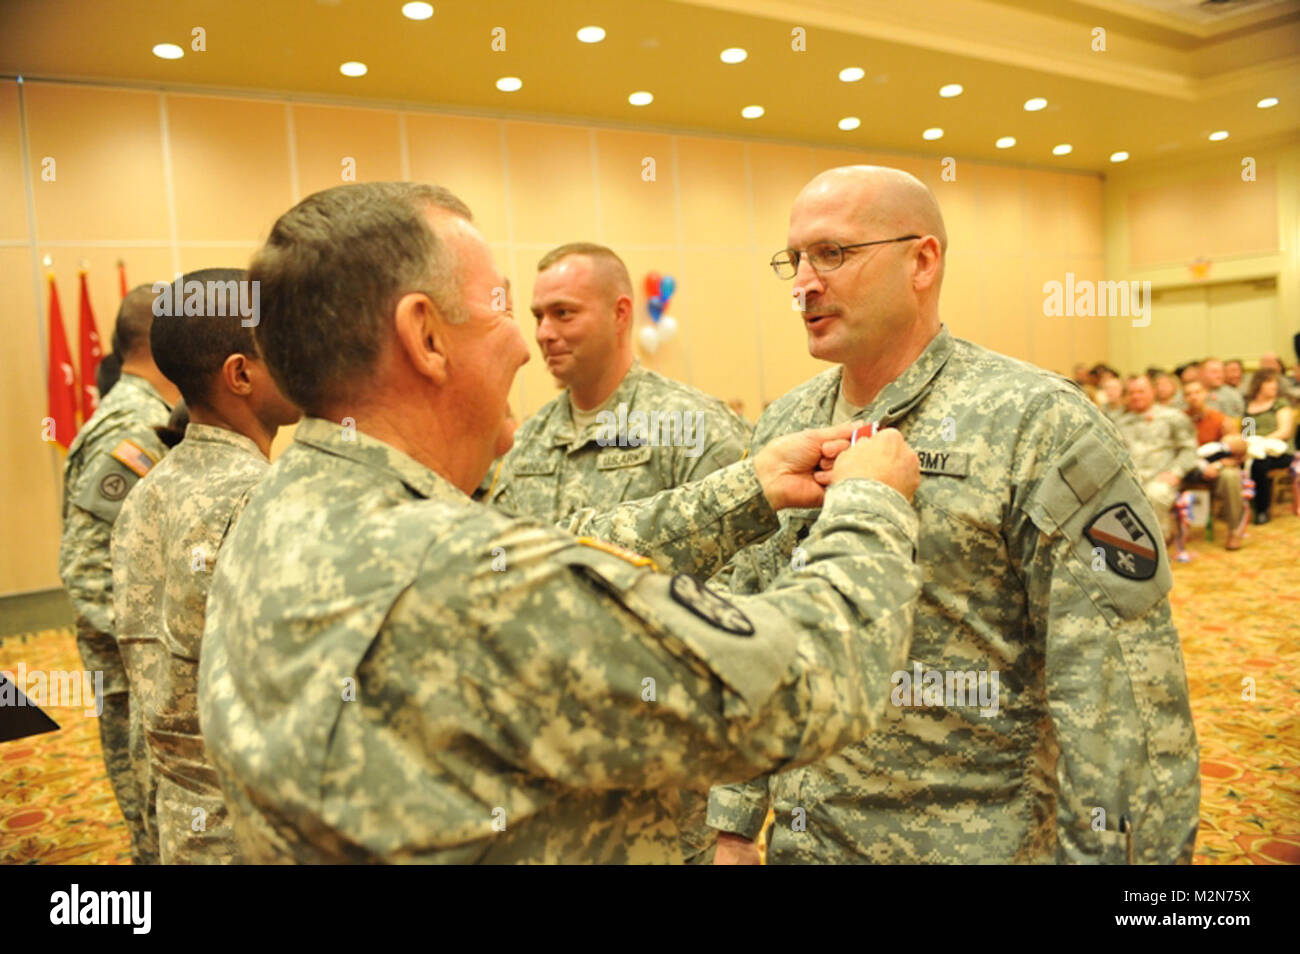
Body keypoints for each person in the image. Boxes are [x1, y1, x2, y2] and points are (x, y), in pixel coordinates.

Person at [197, 181, 925, 863]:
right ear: (424, 335)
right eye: (500, 308)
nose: (524, 343)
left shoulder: (281, 503)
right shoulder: (460, 574)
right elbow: (817, 679)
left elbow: (547, 556)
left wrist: (745, 489)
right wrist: (871, 504)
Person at [707, 165, 1198, 866]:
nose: (804, 283)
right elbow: (755, 628)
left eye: (833, 253)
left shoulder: (1039, 423)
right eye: (796, 259)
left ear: (922, 261)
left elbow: (1120, 690)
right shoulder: (788, 424)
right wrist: (731, 819)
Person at [483, 242, 750, 864]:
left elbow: (745, 613)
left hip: (672, 792)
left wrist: (736, 820)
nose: (544, 333)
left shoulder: (695, 429)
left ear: (622, 313)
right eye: (538, 315)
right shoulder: (528, 446)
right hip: (557, 789)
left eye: (565, 313)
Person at [111, 268, 300, 865]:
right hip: (258, 834)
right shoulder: (261, 502)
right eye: (287, 348)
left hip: (185, 824)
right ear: (240, 374)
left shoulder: (150, 489)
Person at [58, 284, 180, 866]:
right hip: (130, 667)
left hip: (137, 663)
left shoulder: (145, 413)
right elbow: (85, 566)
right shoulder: (134, 424)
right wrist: (154, 641)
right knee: (151, 815)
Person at [1113, 375, 1199, 544]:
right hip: (1130, 479)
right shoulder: (1119, 423)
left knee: (1155, 494)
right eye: (1131, 393)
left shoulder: (1173, 417)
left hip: (1161, 477)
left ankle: (1157, 544)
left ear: (1153, 392)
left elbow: (1189, 450)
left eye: (1141, 391)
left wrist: (1176, 472)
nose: (1136, 396)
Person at [1181, 379, 1246, 549]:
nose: (1193, 397)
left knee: (1231, 476)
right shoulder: (1179, 420)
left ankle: (1234, 532)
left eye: (1197, 392)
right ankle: (1168, 535)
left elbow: (1239, 452)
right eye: (1188, 394)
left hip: (1216, 468)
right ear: (1184, 398)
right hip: (1186, 467)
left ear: (1206, 395)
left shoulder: (1220, 419)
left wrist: (1220, 465)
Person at [1243, 369, 1296, 524]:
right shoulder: (1249, 407)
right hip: (1255, 449)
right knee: (1247, 462)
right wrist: (1252, 444)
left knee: (1259, 465)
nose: (1274, 386)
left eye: (1274, 383)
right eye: (1269, 382)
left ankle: (1261, 510)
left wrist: (1262, 440)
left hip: (1279, 450)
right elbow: (1248, 433)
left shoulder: (1280, 405)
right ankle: (1244, 507)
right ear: (1259, 384)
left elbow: (1284, 432)